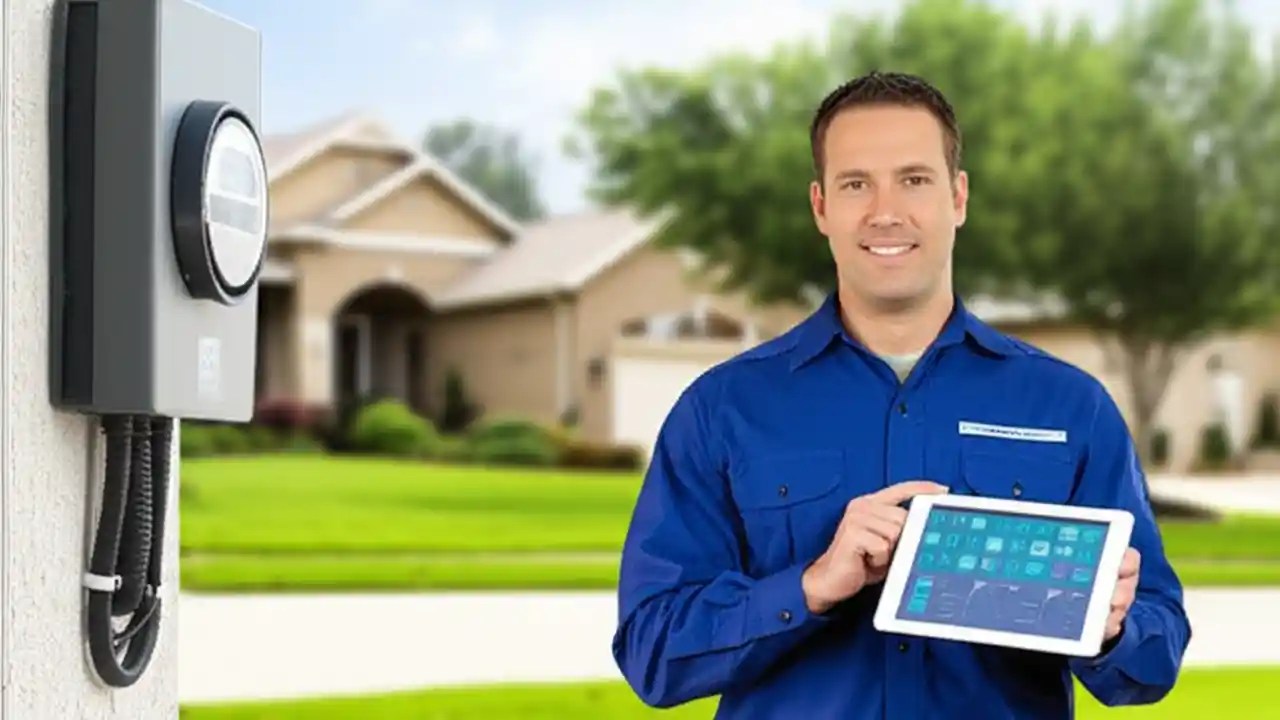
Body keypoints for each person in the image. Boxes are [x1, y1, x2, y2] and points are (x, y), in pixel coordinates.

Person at [612, 71, 1190, 719]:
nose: (885, 211)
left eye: (914, 179)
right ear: (821, 207)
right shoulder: (723, 408)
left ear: (959, 197)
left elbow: (1157, 651)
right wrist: (811, 586)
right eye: (856, 183)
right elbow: (652, 652)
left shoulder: (1069, 407)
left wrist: (1112, 630)